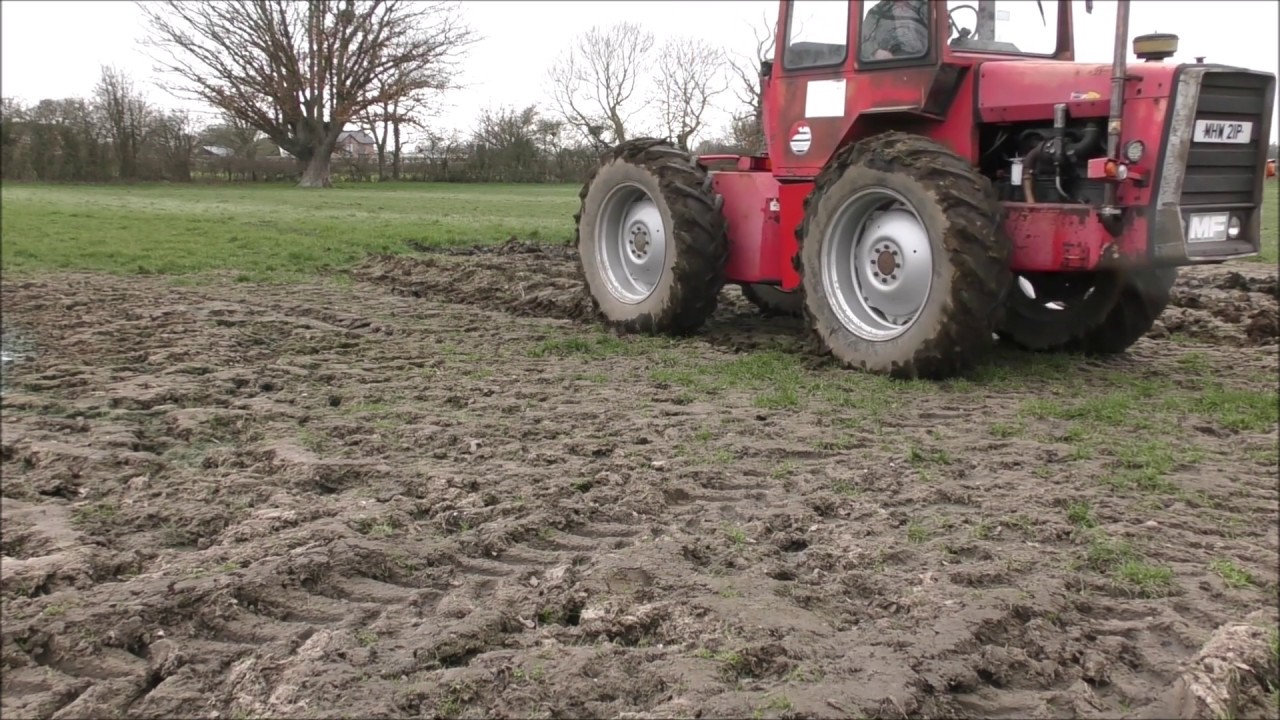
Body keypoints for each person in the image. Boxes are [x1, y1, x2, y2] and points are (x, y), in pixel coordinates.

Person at [860, 0, 930, 61]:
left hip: (920, 64)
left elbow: (939, 38)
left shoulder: (925, 8)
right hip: (886, 67)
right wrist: (875, 52)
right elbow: (861, 42)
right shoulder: (877, 12)